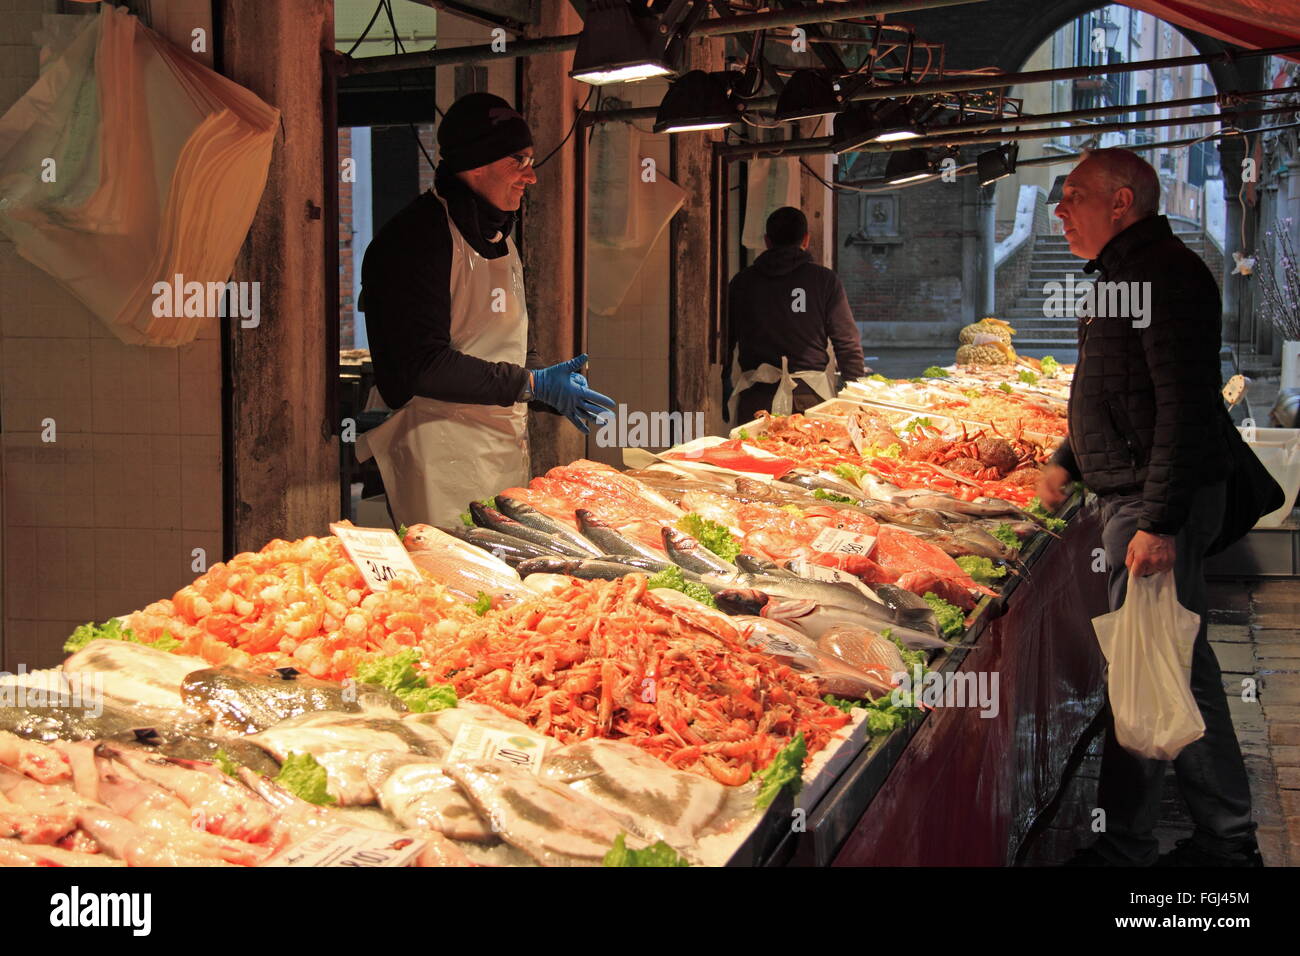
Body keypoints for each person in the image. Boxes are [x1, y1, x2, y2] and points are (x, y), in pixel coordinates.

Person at [1038, 148, 1260, 867]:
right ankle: (1145, 839)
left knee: (1168, 668)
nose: (1060, 211)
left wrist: (1160, 521)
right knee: (1153, 667)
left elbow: (1185, 408)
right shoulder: (1125, 276)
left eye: (1073, 196)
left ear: (1122, 201)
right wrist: (1068, 460)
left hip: (1151, 500)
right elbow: (1118, 391)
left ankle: (1217, 847)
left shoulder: (1165, 275)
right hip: (1133, 493)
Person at [357, 93, 614, 528]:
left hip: (499, 454)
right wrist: (532, 383)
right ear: (477, 163)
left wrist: (546, 383)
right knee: (446, 589)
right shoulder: (413, 240)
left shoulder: (501, 236)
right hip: (433, 461)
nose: (530, 177)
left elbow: (504, 342)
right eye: (519, 160)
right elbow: (423, 364)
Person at [724, 206, 866, 424]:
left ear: (767, 241)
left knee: (753, 457)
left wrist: (725, 381)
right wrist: (854, 394)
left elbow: (725, 340)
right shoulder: (824, 280)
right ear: (806, 240)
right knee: (813, 458)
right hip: (809, 402)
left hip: (756, 401)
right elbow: (846, 342)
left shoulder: (742, 282)